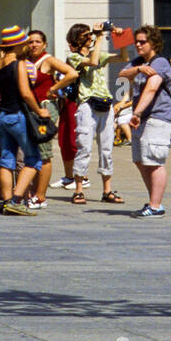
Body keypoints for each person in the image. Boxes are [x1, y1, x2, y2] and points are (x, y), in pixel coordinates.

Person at [0, 25, 50, 215]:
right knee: (34, 159)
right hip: (19, 116)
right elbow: (26, 93)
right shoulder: (20, 64)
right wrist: (40, 111)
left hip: (2, 117)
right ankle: (15, 199)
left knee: (6, 160)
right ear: (17, 45)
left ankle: (6, 201)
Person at [65, 22, 124, 206]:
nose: (90, 37)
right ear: (77, 38)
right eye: (86, 35)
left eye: (90, 34)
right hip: (86, 104)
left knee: (106, 148)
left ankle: (107, 190)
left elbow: (123, 57)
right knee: (85, 147)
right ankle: (79, 190)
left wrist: (119, 38)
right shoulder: (73, 57)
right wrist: (99, 37)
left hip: (104, 102)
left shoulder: (96, 52)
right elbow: (92, 62)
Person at [118, 25, 171, 217]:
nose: (138, 45)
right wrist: (140, 68)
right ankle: (153, 201)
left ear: (154, 43)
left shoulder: (160, 63)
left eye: (143, 41)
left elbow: (151, 88)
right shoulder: (140, 62)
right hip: (142, 119)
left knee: (154, 161)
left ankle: (156, 205)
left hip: (157, 117)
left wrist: (137, 113)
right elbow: (122, 74)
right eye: (137, 41)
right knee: (141, 160)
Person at [25, 29, 78, 209]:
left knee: (43, 151)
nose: (34, 45)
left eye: (37, 41)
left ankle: (41, 196)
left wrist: (54, 88)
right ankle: (33, 191)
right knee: (32, 150)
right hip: (31, 108)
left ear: (45, 44)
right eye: (31, 42)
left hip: (45, 108)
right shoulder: (26, 61)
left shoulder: (48, 60)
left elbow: (72, 73)